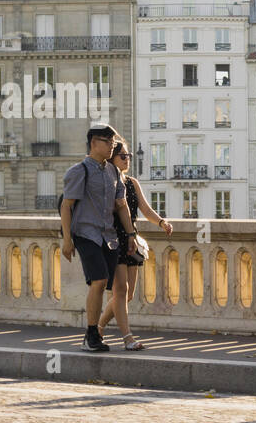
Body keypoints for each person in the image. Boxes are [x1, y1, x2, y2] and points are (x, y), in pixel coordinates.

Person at [61, 125, 138, 352]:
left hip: (109, 237)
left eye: (114, 142)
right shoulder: (78, 171)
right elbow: (67, 206)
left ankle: (95, 333)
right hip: (86, 234)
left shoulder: (113, 172)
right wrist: (67, 240)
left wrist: (131, 233)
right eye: (108, 141)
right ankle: (91, 334)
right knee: (100, 280)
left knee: (108, 285)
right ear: (94, 143)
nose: (113, 145)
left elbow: (121, 206)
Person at [97, 137, 173, 349]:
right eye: (123, 156)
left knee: (128, 294)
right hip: (114, 240)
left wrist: (161, 222)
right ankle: (128, 338)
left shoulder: (132, 183)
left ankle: (99, 328)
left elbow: (146, 210)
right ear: (111, 158)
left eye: (128, 156)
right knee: (120, 290)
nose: (127, 159)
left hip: (131, 239)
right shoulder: (106, 183)